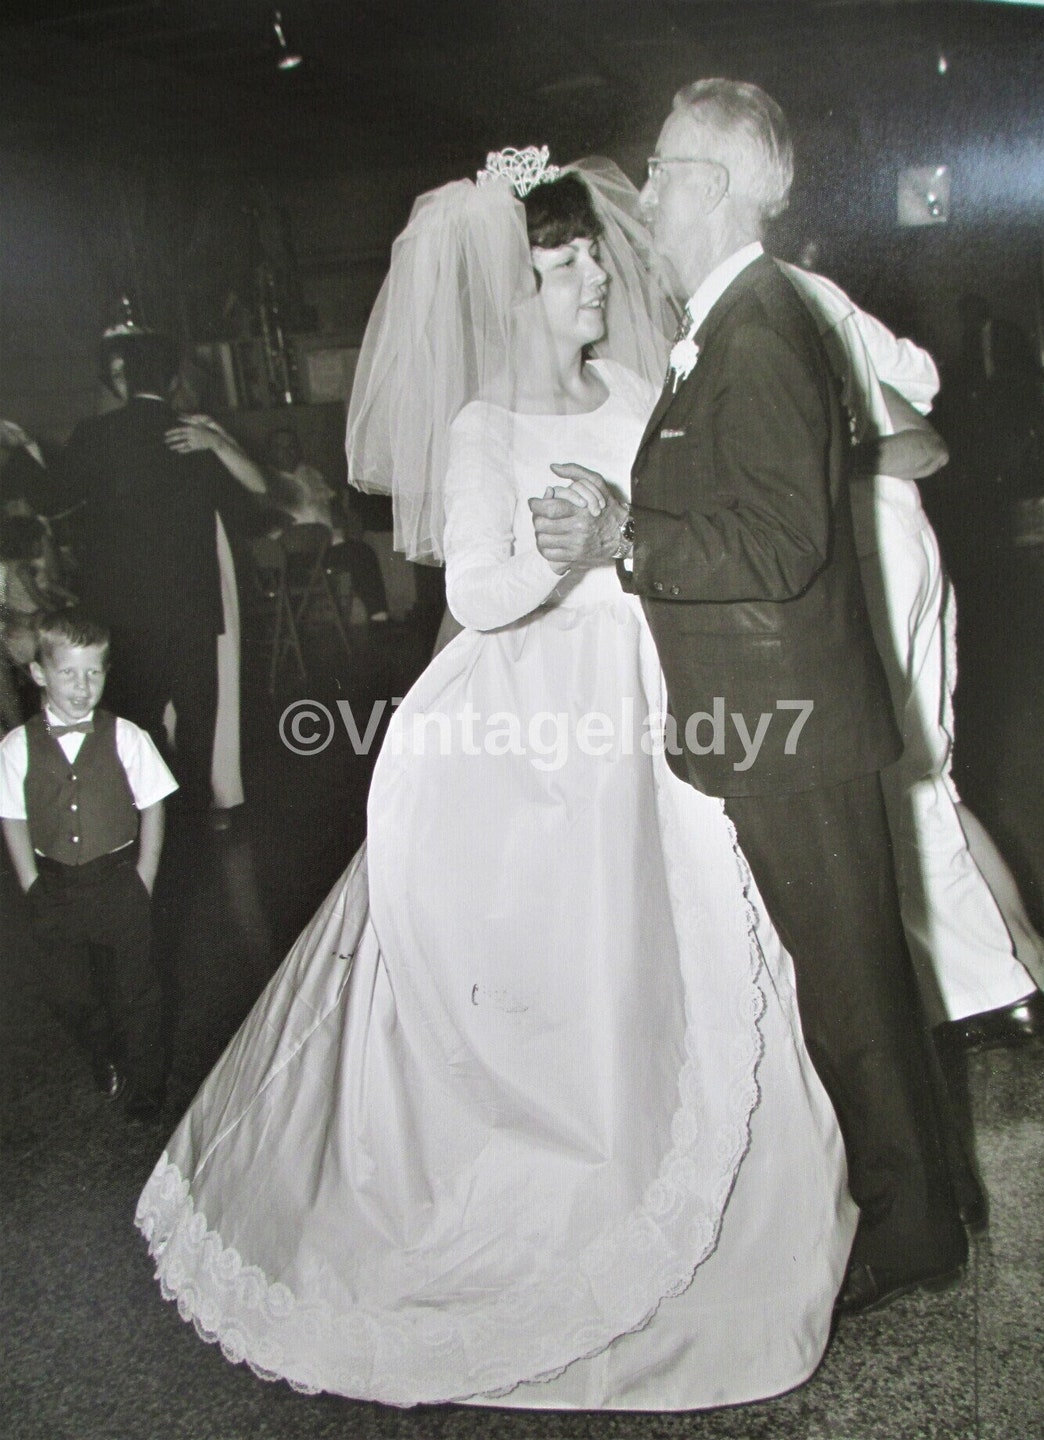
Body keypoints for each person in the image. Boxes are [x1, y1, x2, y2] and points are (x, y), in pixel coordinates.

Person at [136, 152, 856, 1409]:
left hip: (646, 695)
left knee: (675, 958)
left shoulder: (635, 386)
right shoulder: (481, 428)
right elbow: (473, 594)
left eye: (593, 256)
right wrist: (567, 557)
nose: (595, 279)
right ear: (507, 295)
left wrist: (620, 552)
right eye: (562, 265)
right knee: (550, 975)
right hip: (526, 728)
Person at [531, 80, 970, 1316]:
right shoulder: (733, 323)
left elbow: (778, 545)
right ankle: (928, 1195)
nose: (649, 191)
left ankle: (915, 1229)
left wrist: (626, 539)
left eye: (664, 169)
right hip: (778, 718)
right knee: (855, 974)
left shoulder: (760, 325)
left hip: (795, 724)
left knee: (849, 984)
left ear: (714, 187)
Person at [782, 269, 1044, 1045]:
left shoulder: (816, 336)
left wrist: (822, 463)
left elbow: (927, 447)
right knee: (918, 785)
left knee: (913, 782)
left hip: (886, 561)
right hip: (862, 566)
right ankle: (1017, 976)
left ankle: (1016, 976)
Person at [62, 329, 266, 820]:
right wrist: (215, 442)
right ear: (174, 379)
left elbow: (56, 502)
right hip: (191, 603)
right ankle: (192, 811)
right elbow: (258, 495)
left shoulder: (93, 435)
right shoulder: (194, 434)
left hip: (123, 610)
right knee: (197, 719)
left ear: (123, 381)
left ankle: (148, 816)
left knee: (138, 717)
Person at [0, 608, 178, 1120]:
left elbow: (154, 805)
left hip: (118, 880)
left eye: (93, 672)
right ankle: (103, 1051)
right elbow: (12, 816)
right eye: (68, 673)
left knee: (137, 991)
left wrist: (144, 875)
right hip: (54, 887)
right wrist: (31, 883)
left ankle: (145, 1086)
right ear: (39, 674)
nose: (82, 688)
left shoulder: (128, 736)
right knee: (68, 993)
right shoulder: (17, 748)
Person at [264, 426, 390, 623]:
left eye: (291, 447)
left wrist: (342, 516)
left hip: (328, 546)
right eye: (280, 447)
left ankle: (379, 618)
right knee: (358, 554)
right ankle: (379, 619)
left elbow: (333, 504)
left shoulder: (311, 474)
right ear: (270, 451)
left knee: (362, 551)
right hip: (294, 553)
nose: (287, 452)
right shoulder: (266, 481)